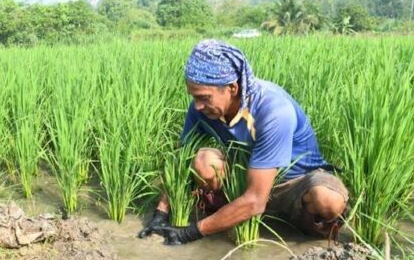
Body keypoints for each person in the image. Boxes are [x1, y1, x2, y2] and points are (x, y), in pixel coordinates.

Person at [138, 39, 349, 245]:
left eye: (204, 97)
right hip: (245, 176)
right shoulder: (201, 110)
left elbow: (256, 200)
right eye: (194, 97)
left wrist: (190, 233)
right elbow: (180, 161)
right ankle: (231, 218)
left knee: (327, 199)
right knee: (204, 160)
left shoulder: (273, 111)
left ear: (232, 88)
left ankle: (312, 238)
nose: (198, 106)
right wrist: (161, 213)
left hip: (294, 183)